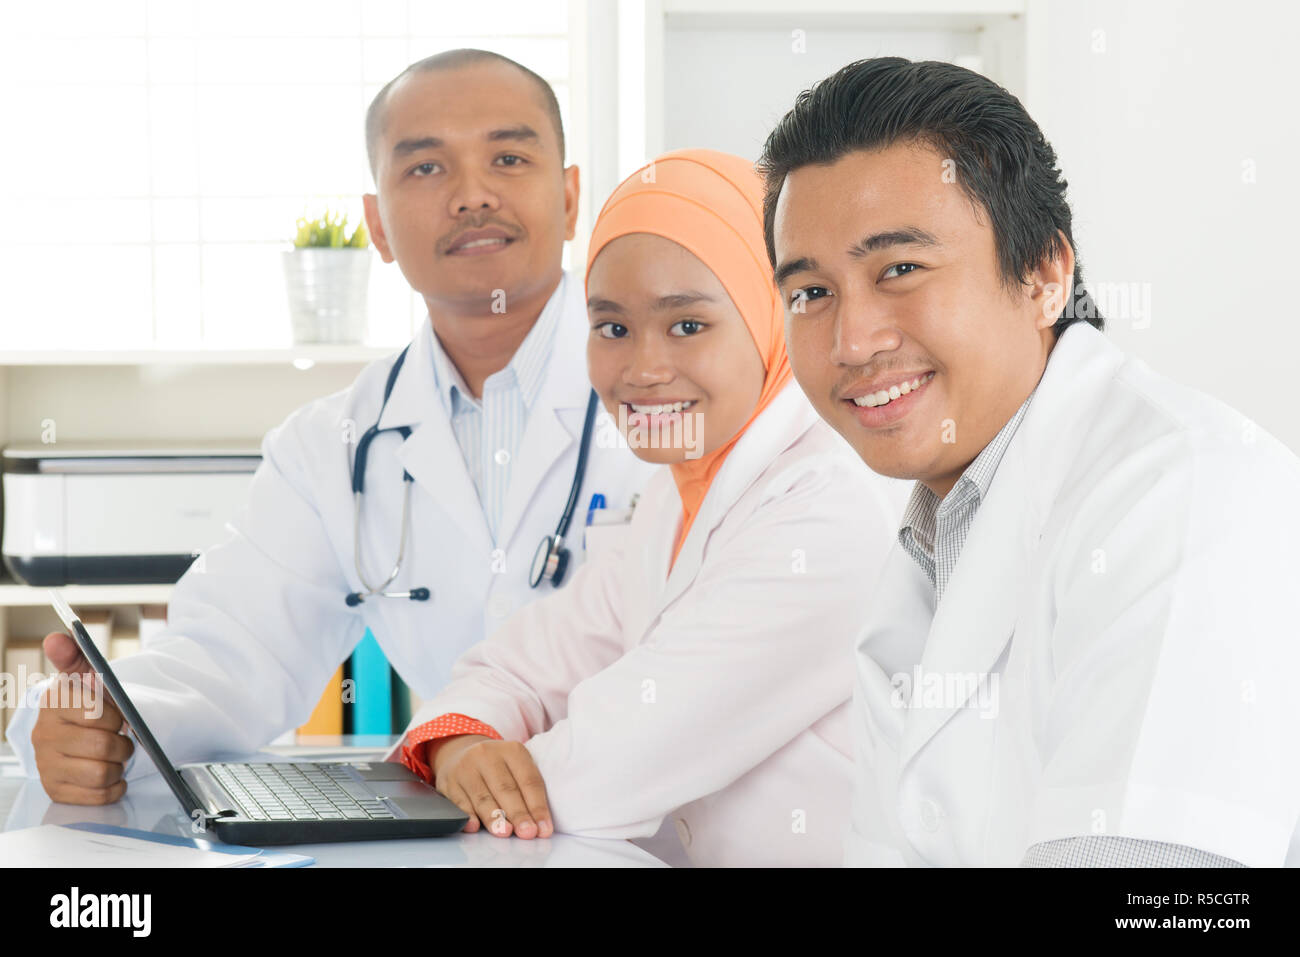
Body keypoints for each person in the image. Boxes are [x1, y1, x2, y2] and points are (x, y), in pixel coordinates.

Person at [6, 49, 654, 805]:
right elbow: (228, 652)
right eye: (426, 168)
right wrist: (105, 722)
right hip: (475, 838)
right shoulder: (333, 447)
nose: (473, 196)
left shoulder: (681, 393)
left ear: (572, 198)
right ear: (376, 225)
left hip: (670, 831)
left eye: (508, 157)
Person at [760, 56, 1300, 867]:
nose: (852, 341)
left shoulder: (1186, 490)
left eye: (899, 269)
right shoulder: (930, 539)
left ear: (1046, 273)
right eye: (811, 293)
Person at [380, 149, 909, 867]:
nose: (642, 369)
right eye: (613, 327)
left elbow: (619, 758)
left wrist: (486, 781)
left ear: (772, 316)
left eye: (687, 325)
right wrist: (461, 741)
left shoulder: (832, 505)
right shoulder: (672, 496)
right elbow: (522, 664)